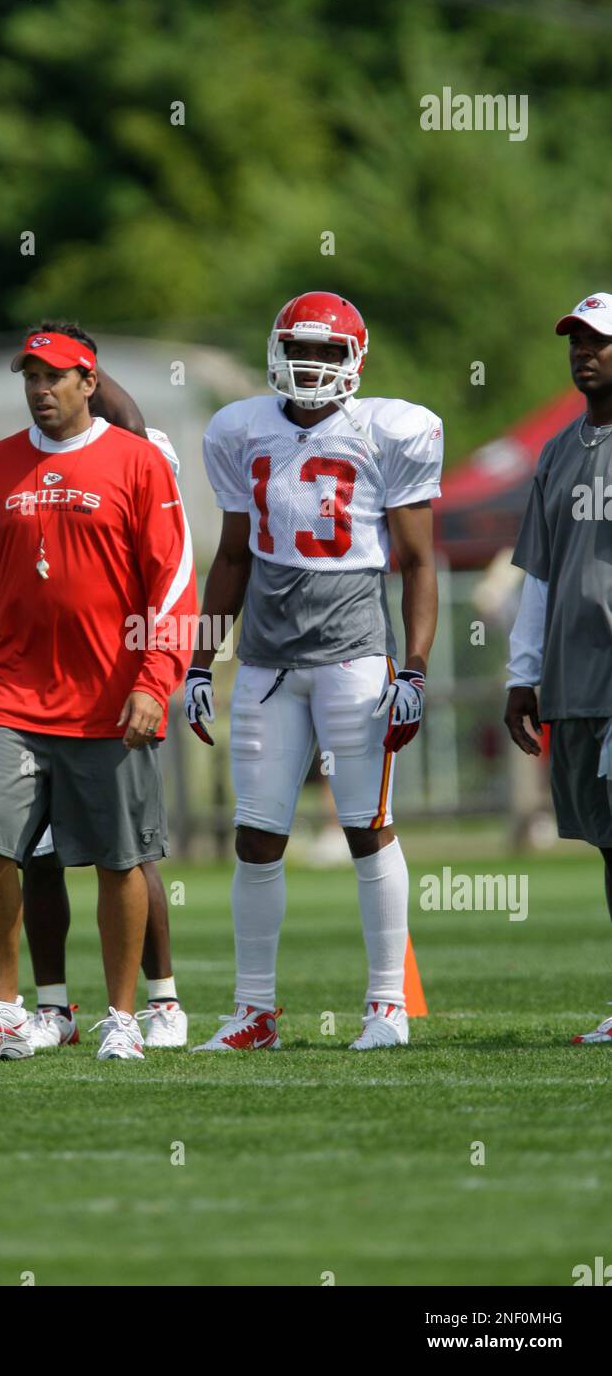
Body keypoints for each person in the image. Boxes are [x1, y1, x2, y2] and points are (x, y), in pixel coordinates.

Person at [185, 290, 442, 1051]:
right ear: (274, 348)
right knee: (256, 837)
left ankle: (387, 1005)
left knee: (366, 826)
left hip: (355, 650)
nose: (312, 362)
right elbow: (232, 557)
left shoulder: (389, 430)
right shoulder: (240, 430)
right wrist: (202, 663)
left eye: (329, 351)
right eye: (302, 346)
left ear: (355, 360)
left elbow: (421, 563)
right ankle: (254, 1011)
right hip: (265, 656)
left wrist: (417, 668)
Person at [0, 324, 195, 1062]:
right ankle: (6, 1010)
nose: (40, 389)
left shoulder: (139, 462)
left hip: (111, 703)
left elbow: (173, 583)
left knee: (121, 861)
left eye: (55, 376)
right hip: (11, 702)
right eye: (31, 376)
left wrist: (156, 678)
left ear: (90, 382)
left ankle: (123, 1017)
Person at [505, 292, 612, 1045]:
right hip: (577, 682)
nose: (585, 353)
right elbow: (538, 574)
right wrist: (523, 672)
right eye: (576, 341)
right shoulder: (557, 450)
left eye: (600, 342)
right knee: (609, 843)